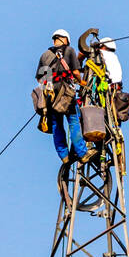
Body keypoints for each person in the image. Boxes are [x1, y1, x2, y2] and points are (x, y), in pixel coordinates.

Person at [36, 30, 94, 166]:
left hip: (50, 95)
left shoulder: (45, 55)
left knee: (57, 125)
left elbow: (40, 78)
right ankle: (82, 153)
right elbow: (75, 72)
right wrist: (81, 82)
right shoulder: (69, 50)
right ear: (66, 39)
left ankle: (64, 156)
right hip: (66, 93)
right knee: (73, 121)